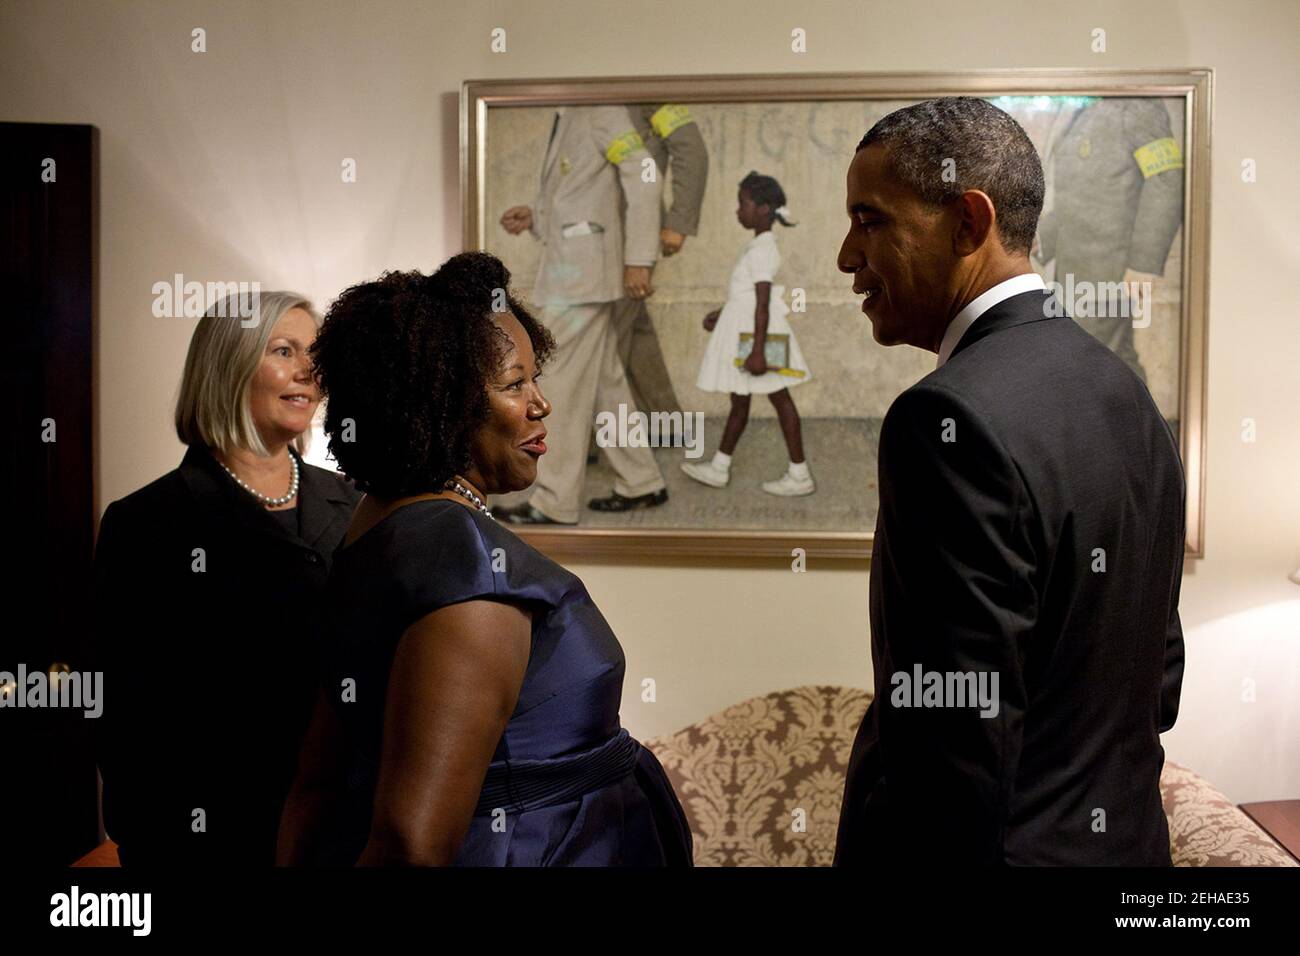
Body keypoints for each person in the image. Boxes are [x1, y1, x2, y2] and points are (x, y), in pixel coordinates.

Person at [833, 98, 1186, 865]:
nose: (846, 257)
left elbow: (952, 742)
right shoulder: (1129, 395)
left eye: (870, 221)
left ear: (968, 221)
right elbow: (1159, 683)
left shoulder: (945, 419)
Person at [277, 253, 693, 866]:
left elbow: (315, 786)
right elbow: (410, 847)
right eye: (514, 383)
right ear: (440, 398)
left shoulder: (377, 526)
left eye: (536, 378)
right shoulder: (465, 559)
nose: (541, 404)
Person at [92, 291, 361, 866]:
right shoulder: (148, 522)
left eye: (315, 354)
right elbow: (126, 714)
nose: (308, 370)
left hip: (336, 824)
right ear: (229, 365)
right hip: (210, 836)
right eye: (284, 350)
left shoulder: (357, 504)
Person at [497, 105, 669, 524]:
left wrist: (640, 258)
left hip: (583, 277)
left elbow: (645, 173)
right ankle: (641, 481)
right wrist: (538, 218)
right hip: (578, 270)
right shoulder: (571, 111)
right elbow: (584, 193)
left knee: (557, 379)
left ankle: (554, 501)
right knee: (606, 381)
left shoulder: (598, 110)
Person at [1034, 97, 1185, 384]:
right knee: (1111, 361)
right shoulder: (1082, 108)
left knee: (1093, 365)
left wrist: (1143, 264)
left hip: (1107, 276)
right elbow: (1083, 195)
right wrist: (1040, 238)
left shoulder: (1137, 108)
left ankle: (1130, 427)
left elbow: (1166, 179)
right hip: (1075, 274)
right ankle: (1140, 428)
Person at [682, 172, 814, 496]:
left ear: (764, 209)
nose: (738, 211)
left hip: (757, 339)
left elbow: (763, 303)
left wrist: (758, 351)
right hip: (745, 333)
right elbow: (746, 297)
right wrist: (723, 314)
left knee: (780, 399)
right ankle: (720, 467)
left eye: (743, 204)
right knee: (740, 402)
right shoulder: (757, 245)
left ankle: (799, 474)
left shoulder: (763, 250)